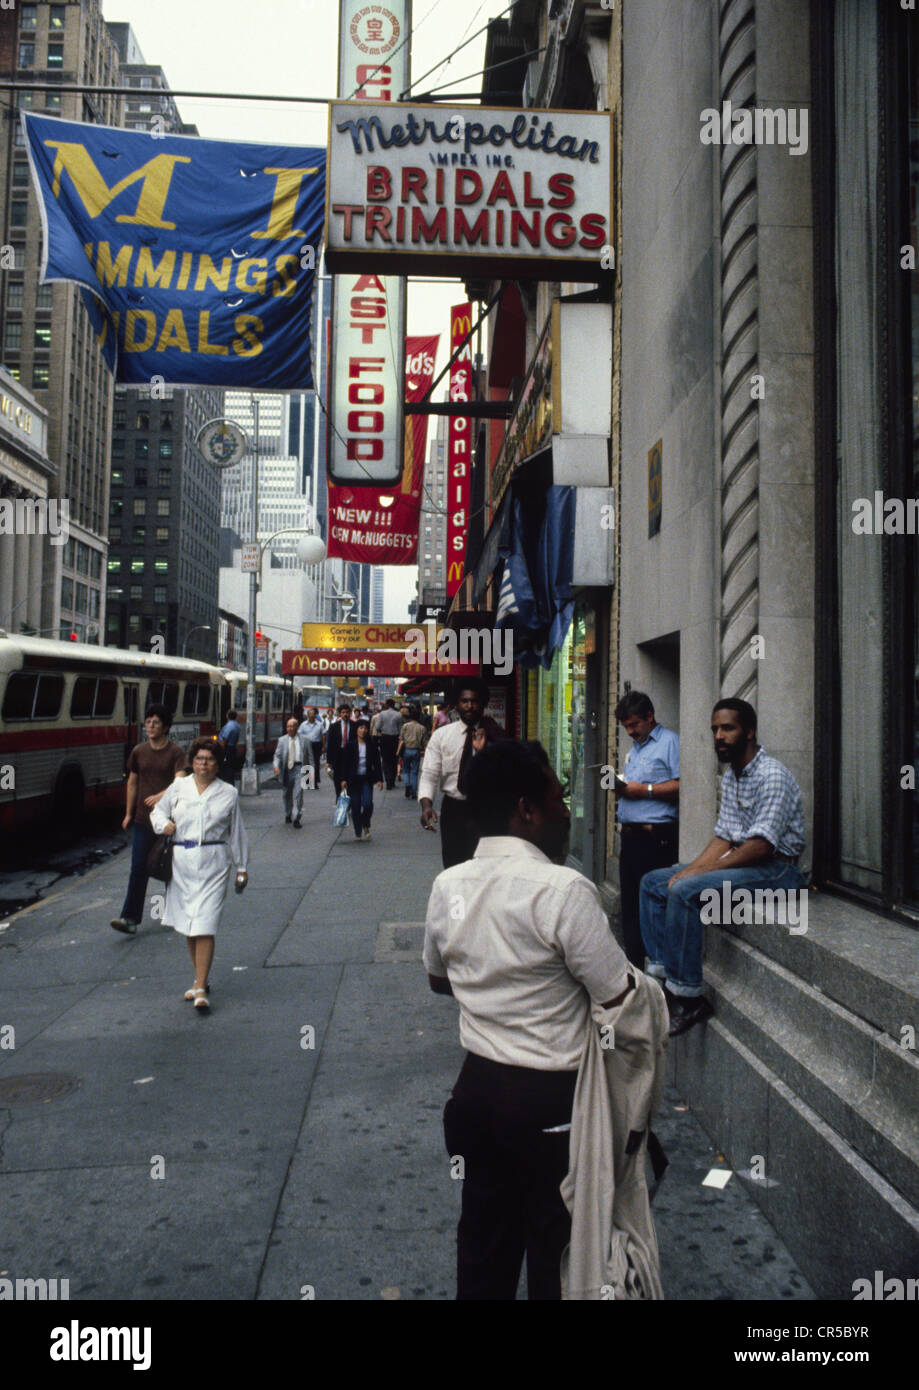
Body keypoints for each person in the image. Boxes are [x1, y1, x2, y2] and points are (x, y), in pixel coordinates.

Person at [424, 739, 633, 1300]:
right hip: (553, 1109)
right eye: (558, 796)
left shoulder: (448, 886)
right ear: (527, 809)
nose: (567, 810)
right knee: (559, 1263)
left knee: (483, 1254)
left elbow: (438, 978)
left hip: (476, 1098)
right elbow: (619, 997)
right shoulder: (564, 891)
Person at [640, 698, 806, 1037]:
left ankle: (689, 997)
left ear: (749, 731)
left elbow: (760, 846)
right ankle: (662, 980)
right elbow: (723, 838)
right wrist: (688, 870)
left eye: (727, 728)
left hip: (779, 871)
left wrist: (697, 875)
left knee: (685, 891)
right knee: (655, 882)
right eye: (715, 729)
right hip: (749, 863)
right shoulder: (732, 777)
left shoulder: (772, 775)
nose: (719, 736)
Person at [150, 738, 249, 1012]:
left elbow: (237, 832)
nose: (203, 763)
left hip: (214, 862)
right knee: (189, 924)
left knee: (205, 922)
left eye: (209, 759)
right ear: (192, 761)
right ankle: (198, 979)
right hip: (181, 862)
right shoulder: (179, 787)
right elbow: (157, 811)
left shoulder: (228, 793)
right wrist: (164, 825)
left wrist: (242, 867)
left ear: (218, 764)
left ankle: (202, 988)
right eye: (199, 758)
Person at [613, 691, 680, 967]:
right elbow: (633, 786)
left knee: (651, 906)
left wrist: (646, 790)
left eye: (634, 725)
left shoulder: (670, 743)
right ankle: (634, 965)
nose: (630, 732)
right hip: (629, 836)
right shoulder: (634, 750)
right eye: (626, 727)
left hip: (654, 838)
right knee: (629, 905)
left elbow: (683, 784)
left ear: (649, 717)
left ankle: (658, 967)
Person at [110, 705, 188, 935]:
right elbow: (132, 782)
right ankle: (129, 918)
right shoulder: (138, 751)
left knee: (168, 866)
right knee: (138, 868)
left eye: (156, 722)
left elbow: (180, 781)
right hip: (144, 821)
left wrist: (160, 796)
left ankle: (177, 913)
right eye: (148, 722)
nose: (151, 726)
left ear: (165, 727)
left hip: (168, 821)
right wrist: (128, 813)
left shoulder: (175, 753)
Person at [419, 677, 506, 868]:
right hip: (454, 810)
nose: (469, 706)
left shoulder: (496, 735)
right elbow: (429, 774)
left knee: (484, 868)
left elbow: (503, 776)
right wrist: (426, 805)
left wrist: (484, 752)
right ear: (456, 705)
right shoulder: (442, 736)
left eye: (474, 701)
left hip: (485, 810)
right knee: (453, 865)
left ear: (482, 704)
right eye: (464, 701)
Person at [341, 719, 383, 841]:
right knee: (355, 805)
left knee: (367, 803)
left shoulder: (372, 745)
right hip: (353, 780)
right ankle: (358, 831)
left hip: (367, 779)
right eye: (361, 728)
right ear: (356, 730)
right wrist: (343, 779)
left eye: (365, 728)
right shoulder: (350, 745)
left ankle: (365, 823)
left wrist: (379, 779)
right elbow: (345, 763)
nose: (363, 730)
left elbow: (377, 763)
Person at [272, 717, 305, 827]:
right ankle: (288, 814)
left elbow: (309, 757)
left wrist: (310, 777)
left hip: (300, 768)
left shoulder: (304, 740)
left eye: (292, 726)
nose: (290, 729)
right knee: (287, 794)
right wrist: (276, 766)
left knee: (298, 794)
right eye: (288, 726)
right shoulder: (282, 740)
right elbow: (277, 755)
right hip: (286, 770)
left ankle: (296, 818)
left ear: (297, 727)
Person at [397, 706, 428, 800]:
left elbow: (401, 739)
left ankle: (407, 785)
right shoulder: (422, 728)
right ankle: (414, 792)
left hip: (406, 750)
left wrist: (398, 751)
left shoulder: (405, 726)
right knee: (414, 772)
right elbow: (425, 742)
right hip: (416, 751)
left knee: (406, 770)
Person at [374, 698, 404, 789]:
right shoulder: (399, 714)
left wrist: (381, 730)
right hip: (395, 739)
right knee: (394, 760)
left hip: (384, 738)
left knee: (385, 760)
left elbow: (377, 727)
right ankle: (392, 780)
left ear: (387, 705)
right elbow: (400, 729)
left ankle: (387, 780)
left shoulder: (382, 714)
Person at [325, 702, 354, 795]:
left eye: (347, 712)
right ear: (340, 714)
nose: (345, 714)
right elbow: (330, 745)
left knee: (349, 781)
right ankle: (339, 798)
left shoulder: (355, 726)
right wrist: (328, 762)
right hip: (338, 757)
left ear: (350, 713)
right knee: (337, 781)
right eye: (343, 712)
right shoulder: (334, 726)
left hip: (350, 756)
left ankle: (347, 798)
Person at [297, 705, 325, 789]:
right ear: (308, 715)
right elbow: (299, 735)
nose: (311, 715)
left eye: (313, 714)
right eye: (310, 714)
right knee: (306, 763)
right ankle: (307, 782)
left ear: (315, 715)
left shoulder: (319, 724)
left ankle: (314, 782)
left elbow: (323, 735)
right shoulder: (303, 725)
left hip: (316, 745)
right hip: (306, 746)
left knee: (315, 763)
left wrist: (323, 746)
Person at [218, 708, 244, 786]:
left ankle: (227, 784)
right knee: (231, 767)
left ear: (227, 716)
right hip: (233, 748)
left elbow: (225, 739)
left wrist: (220, 750)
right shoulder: (237, 726)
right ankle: (231, 784)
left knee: (226, 768)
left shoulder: (229, 726)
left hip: (227, 748)